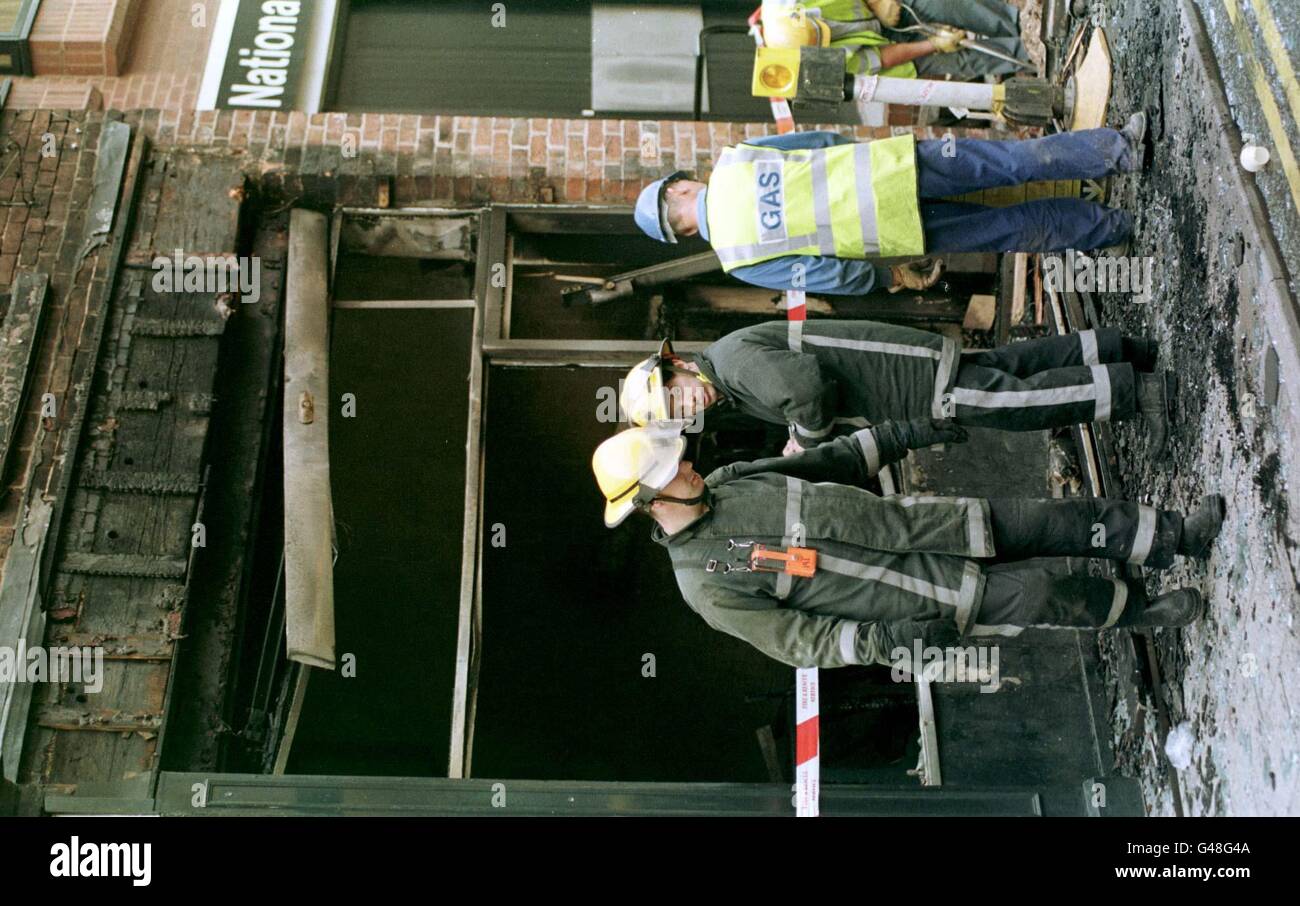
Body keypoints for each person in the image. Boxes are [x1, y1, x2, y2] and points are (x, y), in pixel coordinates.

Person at [591, 423, 1224, 669]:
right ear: (650, 503)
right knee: (1044, 593)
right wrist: (887, 644)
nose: (687, 466)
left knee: (1056, 518)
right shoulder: (706, 585)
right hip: (918, 595)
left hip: (935, 525)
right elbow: (799, 642)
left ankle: (1173, 537)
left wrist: (900, 436)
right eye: (669, 471)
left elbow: (826, 463)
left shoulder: (727, 483)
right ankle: (1141, 609)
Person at [632, 116, 1148, 295]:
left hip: (899, 230)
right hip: (898, 168)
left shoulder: (739, 260)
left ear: (681, 233)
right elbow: (821, 141)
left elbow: (825, 277)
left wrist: (889, 278)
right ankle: (1120, 150)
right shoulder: (735, 161)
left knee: (1009, 230)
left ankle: (1114, 226)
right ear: (678, 190)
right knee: (1009, 162)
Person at [620, 321, 1176, 457]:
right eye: (677, 412)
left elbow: (808, 390)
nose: (687, 406)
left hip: (904, 382)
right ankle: (1117, 348)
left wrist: (804, 439)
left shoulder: (732, 363)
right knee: (1015, 367)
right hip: (907, 366)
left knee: (1015, 403)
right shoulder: (727, 379)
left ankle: (1137, 392)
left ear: (680, 369)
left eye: (677, 395)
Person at [802, 0, 1030, 82]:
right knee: (960, 58)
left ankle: (1028, 26)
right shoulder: (810, 66)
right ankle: (1029, 55)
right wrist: (934, 45)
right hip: (889, 54)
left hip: (885, 8)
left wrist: (876, 2)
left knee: (948, 6)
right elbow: (882, 57)